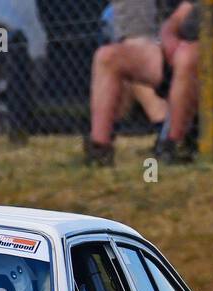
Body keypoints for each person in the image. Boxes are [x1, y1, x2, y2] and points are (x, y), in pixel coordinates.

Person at [84, 0, 199, 166]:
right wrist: (168, 35)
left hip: (207, 58)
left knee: (186, 56)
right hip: (175, 54)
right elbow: (181, 13)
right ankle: (99, 149)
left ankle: (174, 145)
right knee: (107, 57)